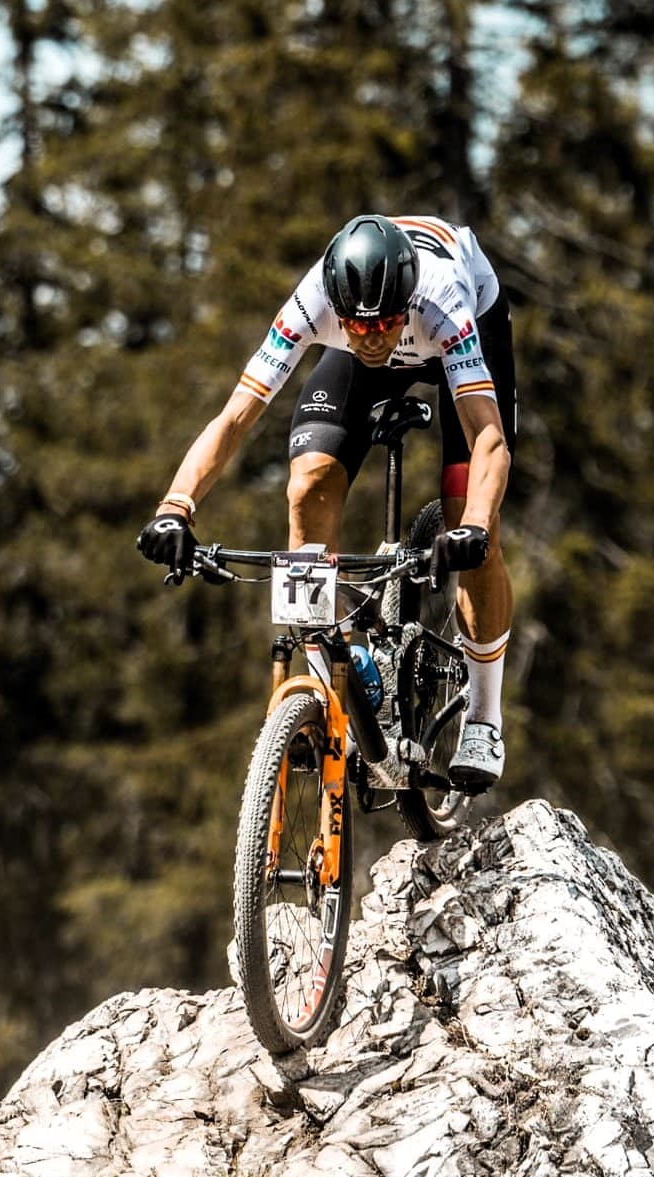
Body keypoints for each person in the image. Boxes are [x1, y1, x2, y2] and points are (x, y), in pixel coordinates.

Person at [137, 213, 517, 792]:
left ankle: (485, 717)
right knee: (307, 485)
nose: (373, 337)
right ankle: (325, 691)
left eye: (385, 323)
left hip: (461, 332)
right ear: (337, 309)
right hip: (367, 353)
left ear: (405, 303)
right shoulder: (312, 299)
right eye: (357, 325)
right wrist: (175, 507)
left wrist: (477, 527)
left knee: (468, 508)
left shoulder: (441, 298)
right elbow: (234, 418)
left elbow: (488, 437)